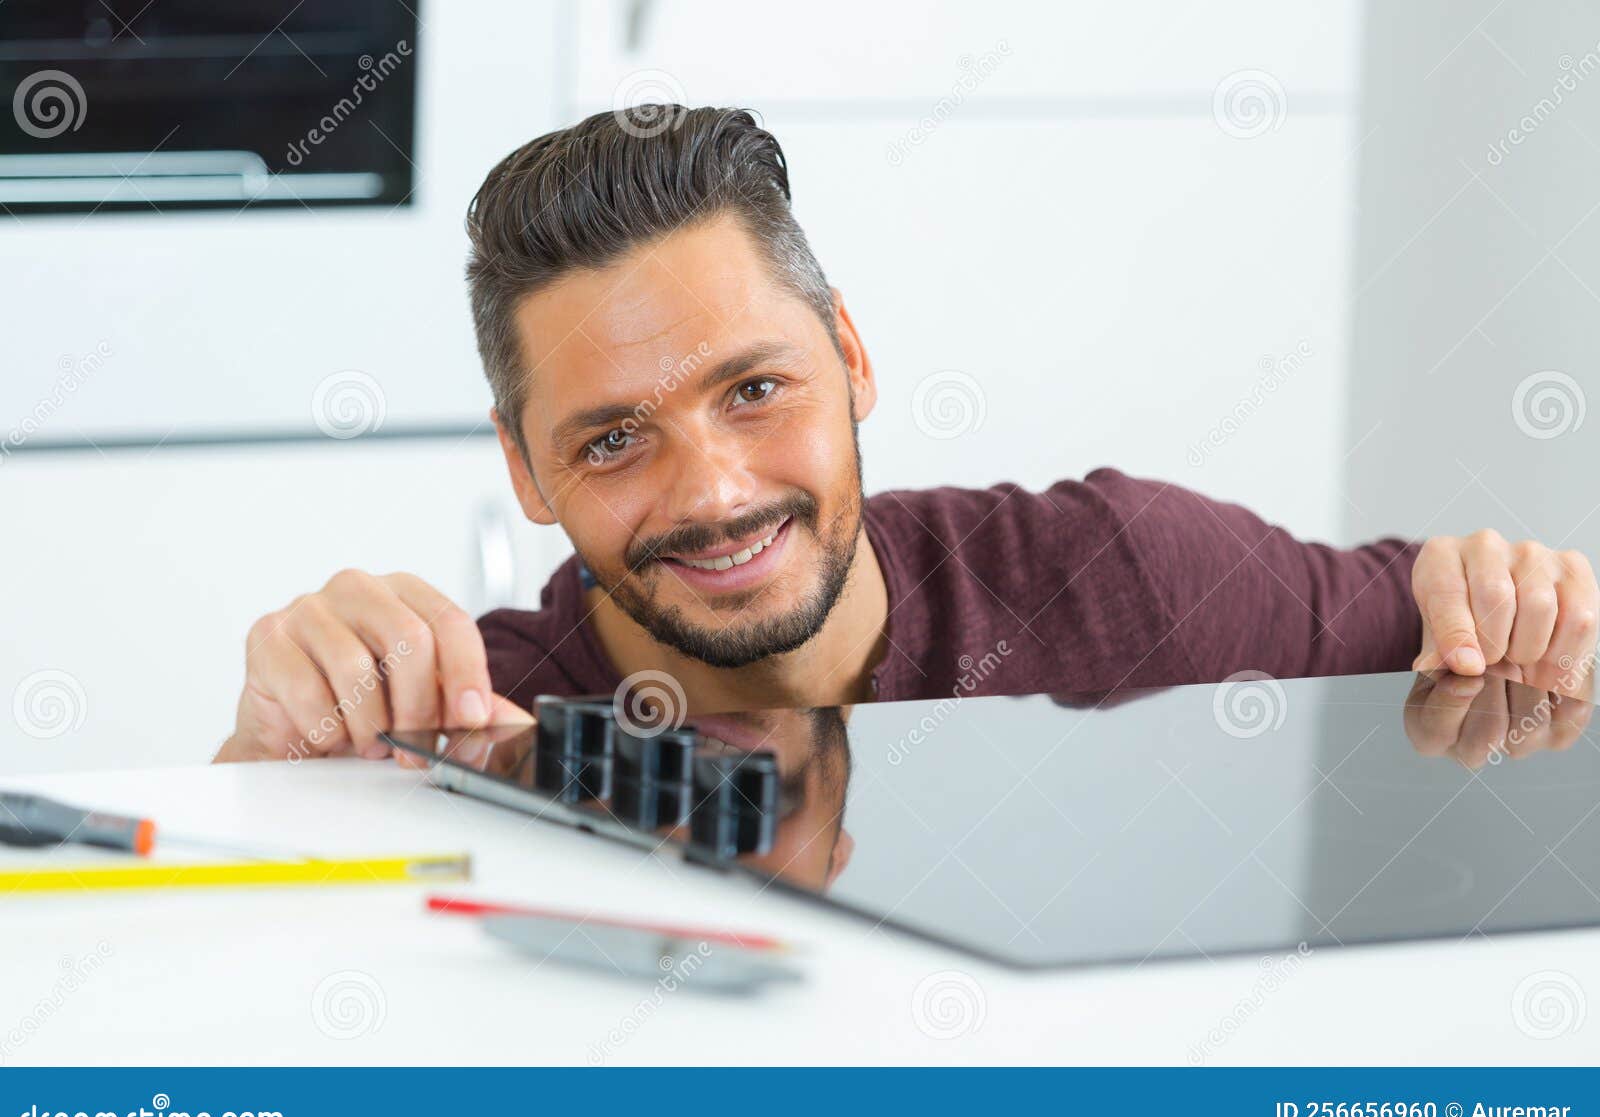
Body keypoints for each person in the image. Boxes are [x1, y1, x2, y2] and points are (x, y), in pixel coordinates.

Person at [214, 106, 1599, 765]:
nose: (714, 492)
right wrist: (269, 754)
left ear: (853, 359)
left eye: (755, 390)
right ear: (525, 471)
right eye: (613, 438)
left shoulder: (1113, 577)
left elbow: (1423, 606)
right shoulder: (464, 732)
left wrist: (1499, 595)